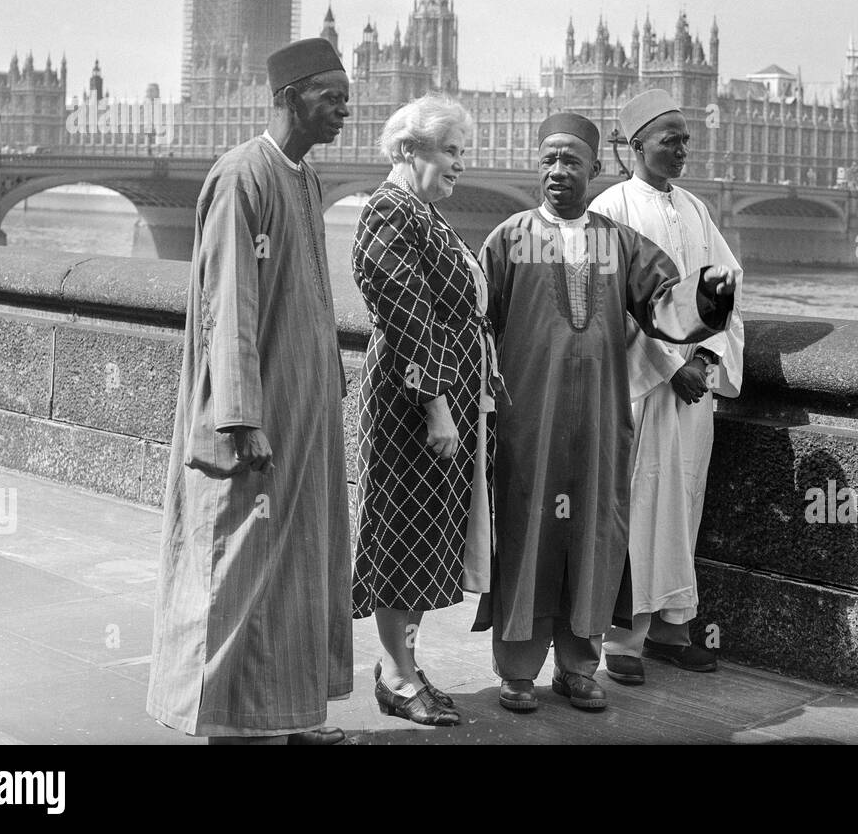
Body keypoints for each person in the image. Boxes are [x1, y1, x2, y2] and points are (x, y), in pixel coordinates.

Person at [476, 113, 739, 713]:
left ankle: (577, 666)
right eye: (548, 160)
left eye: (571, 161)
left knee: (594, 535)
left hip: (600, 423)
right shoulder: (509, 238)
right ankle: (517, 671)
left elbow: (665, 311)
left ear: (594, 169)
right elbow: (478, 325)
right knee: (527, 536)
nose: (558, 172)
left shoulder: (617, 242)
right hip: (529, 424)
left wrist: (709, 301)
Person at [146, 37, 354, 745]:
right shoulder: (242, 176)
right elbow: (226, 302)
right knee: (239, 570)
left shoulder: (305, 177)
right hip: (256, 421)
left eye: (347, 98)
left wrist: (329, 382)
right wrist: (240, 412)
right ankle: (236, 723)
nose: (345, 111)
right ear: (292, 97)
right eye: (333, 97)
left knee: (298, 566)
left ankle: (288, 710)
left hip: (303, 412)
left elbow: (313, 295)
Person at [352, 93, 501, 727]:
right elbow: (407, 317)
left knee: (425, 537)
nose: (460, 164)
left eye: (461, 151)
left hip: (445, 405)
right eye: (451, 151)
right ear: (409, 150)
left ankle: (406, 668)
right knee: (405, 538)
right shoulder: (389, 211)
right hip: (412, 410)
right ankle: (395, 674)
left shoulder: (421, 212)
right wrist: (438, 405)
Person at [590, 88, 745, 685]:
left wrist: (704, 356)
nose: (684, 148)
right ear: (636, 146)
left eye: (685, 138)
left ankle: (674, 628)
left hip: (692, 389)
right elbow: (608, 306)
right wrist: (665, 365)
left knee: (683, 500)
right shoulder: (611, 209)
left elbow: (726, 283)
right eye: (671, 138)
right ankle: (622, 639)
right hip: (639, 390)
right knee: (635, 504)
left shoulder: (697, 209)